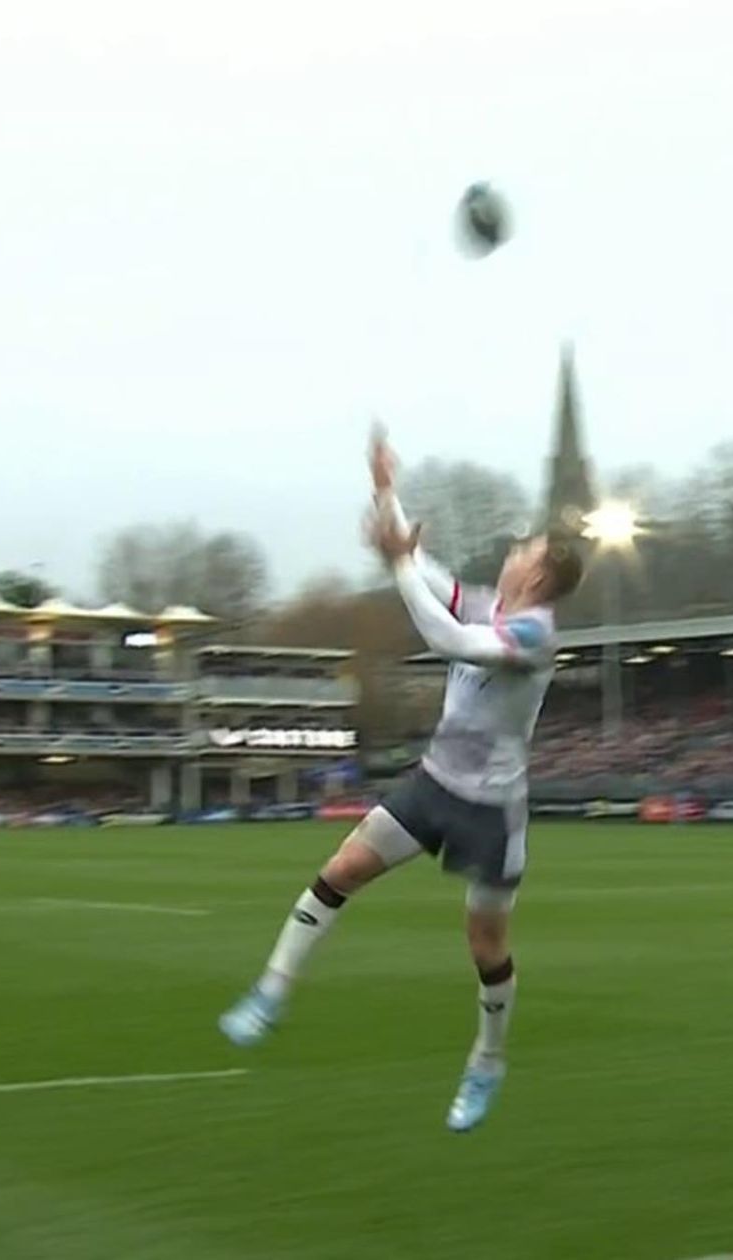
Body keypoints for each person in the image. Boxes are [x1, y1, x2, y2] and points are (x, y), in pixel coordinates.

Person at [216, 427, 583, 1132]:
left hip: (490, 810)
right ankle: (271, 991)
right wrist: (385, 489)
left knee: (486, 947)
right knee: (340, 871)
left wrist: (400, 563)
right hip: (435, 783)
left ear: (538, 577)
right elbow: (419, 566)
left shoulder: (535, 634)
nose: (513, 551)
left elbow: (444, 636)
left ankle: (488, 1059)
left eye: (525, 550)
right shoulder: (488, 601)